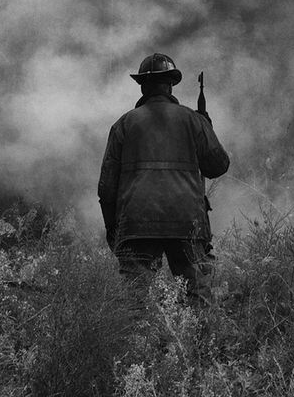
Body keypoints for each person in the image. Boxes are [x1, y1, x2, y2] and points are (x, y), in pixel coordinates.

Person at [98, 53, 230, 306]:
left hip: (137, 225)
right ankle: (197, 345)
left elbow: (106, 188)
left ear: (142, 86)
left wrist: (112, 229)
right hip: (187, 222)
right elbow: (218, 166)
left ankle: (138, 346)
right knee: (198, 298)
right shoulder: (193, 120)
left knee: (136, 302)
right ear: (171, 84)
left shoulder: (123, 124)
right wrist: (207, 127)